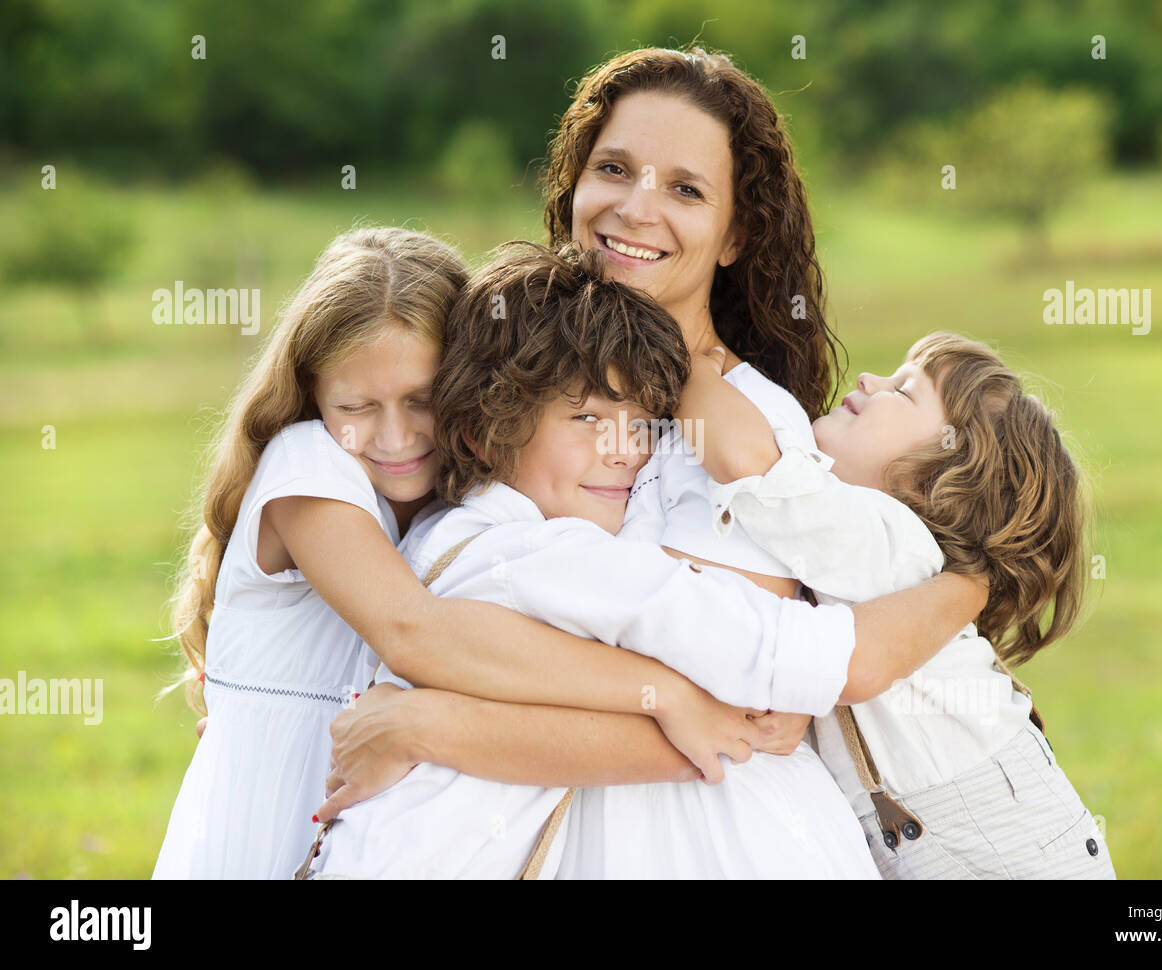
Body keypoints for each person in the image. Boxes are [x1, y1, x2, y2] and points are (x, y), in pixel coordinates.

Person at [317, 48, 988, 850]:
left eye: (685, 189)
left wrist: (431, 722)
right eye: (614, 168)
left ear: (734, 234)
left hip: (704, 837)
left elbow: (729, 708)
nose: (636, 208)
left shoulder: (747, 433)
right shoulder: (518, 362)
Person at [307, 242, 877, 878]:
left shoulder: (439, 535)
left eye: (642, 423)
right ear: (480, 433)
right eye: (585, 418)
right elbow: (726, 633)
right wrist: (964, 582)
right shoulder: (534, 556)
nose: (624, 449)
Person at [680, 330, 1117, 878]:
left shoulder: (891, 540)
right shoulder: (876, 557)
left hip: (1003, 847)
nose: (868, 379)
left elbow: (745, 459)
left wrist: (687, 368)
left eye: (904, 390)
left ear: (933, 480)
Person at [154, 227, 468, 878]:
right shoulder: (307, 466)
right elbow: (414, 633)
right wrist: (659, 696)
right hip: (262, 846)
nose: (395, 435)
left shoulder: (460, 506)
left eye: (423, 400)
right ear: (311, 391)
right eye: (357, 406)